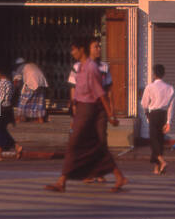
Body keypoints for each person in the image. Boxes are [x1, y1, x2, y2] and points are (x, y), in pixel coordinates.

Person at [46, 39, 126, 192]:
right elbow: (75, 90)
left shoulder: (92, 68)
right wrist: (74, 110)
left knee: (74, 144)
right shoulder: (80, 67)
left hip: (90, 110)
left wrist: (110, 114)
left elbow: (102, 93)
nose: (72, 53)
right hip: (82, 109)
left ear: (82, 49)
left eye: (74, 49)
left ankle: (62, 181)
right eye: (95, 46)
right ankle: (118, 176)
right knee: (94, 145)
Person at [140, 63, 175, 174]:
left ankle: (162, 161)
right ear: (163, 74)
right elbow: (171, 107)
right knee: (159, 140)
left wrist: (147, 114)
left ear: (154, 74)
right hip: (164, 115)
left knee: (154, 140)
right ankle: (157, 167)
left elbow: (144, 104)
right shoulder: (170, 88)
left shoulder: (150, 87)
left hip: (154, 114)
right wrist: (169, 121)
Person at [0, 65, 21, 161]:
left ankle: (4, 152)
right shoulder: (10, 83)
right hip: (8, 108)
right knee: (1, 131)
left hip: (3, 108)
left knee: (0, 131)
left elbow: (1, 97)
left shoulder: (3, 83)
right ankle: (14, 148)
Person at [13, 58, 49, 122]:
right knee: (38, 102)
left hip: (32, 83)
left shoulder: (21, 67)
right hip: (41, 83)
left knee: (23, 101)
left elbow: (16, 79)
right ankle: (40, 118)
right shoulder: (32, 65)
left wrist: (13, 90)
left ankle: (18, 118)